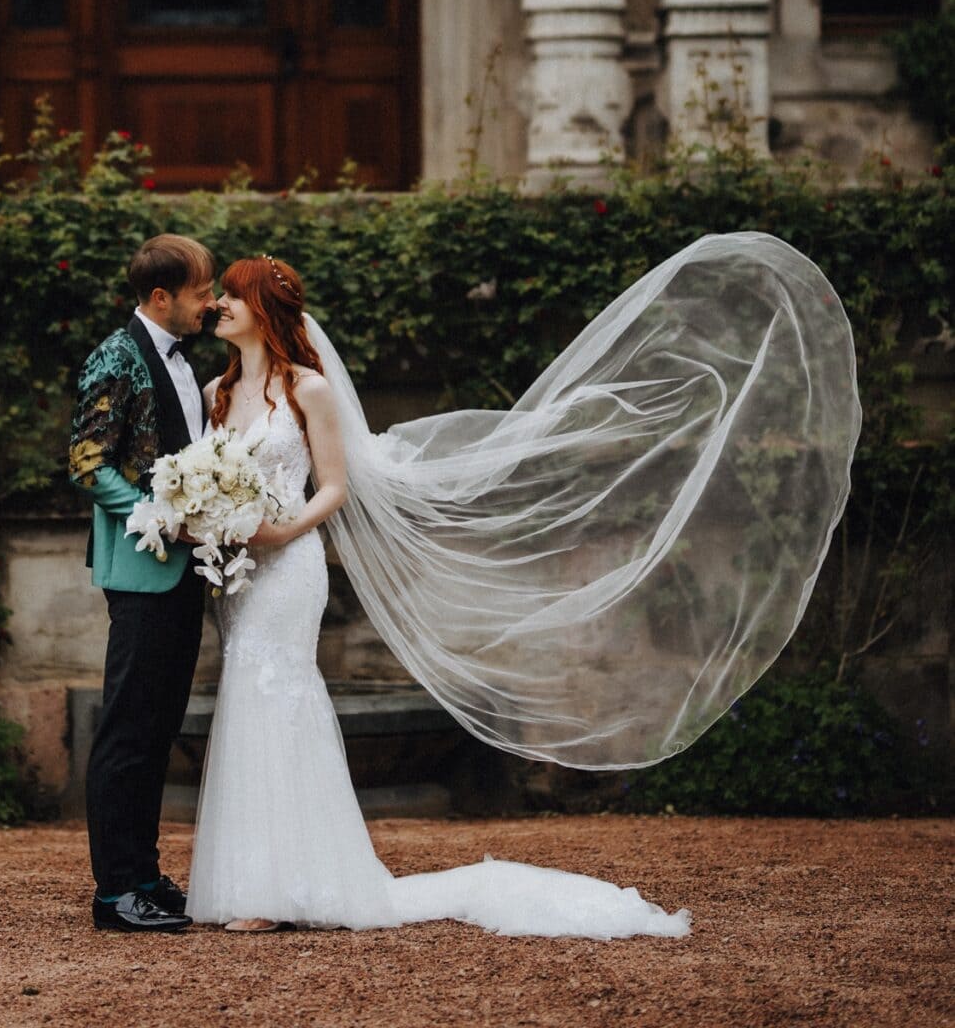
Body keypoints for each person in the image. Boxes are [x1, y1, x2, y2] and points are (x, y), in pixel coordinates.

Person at [185, 240, 859, 936]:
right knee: (243, 697)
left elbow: (332, 487)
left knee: (280, 698)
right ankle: (249, 878)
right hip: (236, 573)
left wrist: (278, 530)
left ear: (263, 310)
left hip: (286, 564)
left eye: (232, 295)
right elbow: (210, 476)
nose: (220, 305)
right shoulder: (217, 393)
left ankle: (291, 885)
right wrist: (209, 521)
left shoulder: (308, 389)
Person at [68, 233, 218, 935]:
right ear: (162, 297)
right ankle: (113, 892)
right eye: (201, 291)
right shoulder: (116, 355)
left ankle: (146, 875)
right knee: (127, 731)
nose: (210, 302)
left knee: (158, 729)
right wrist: (158, 519)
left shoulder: (187, 362)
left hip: (186, 569)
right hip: (141, 570)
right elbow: (87, 464)